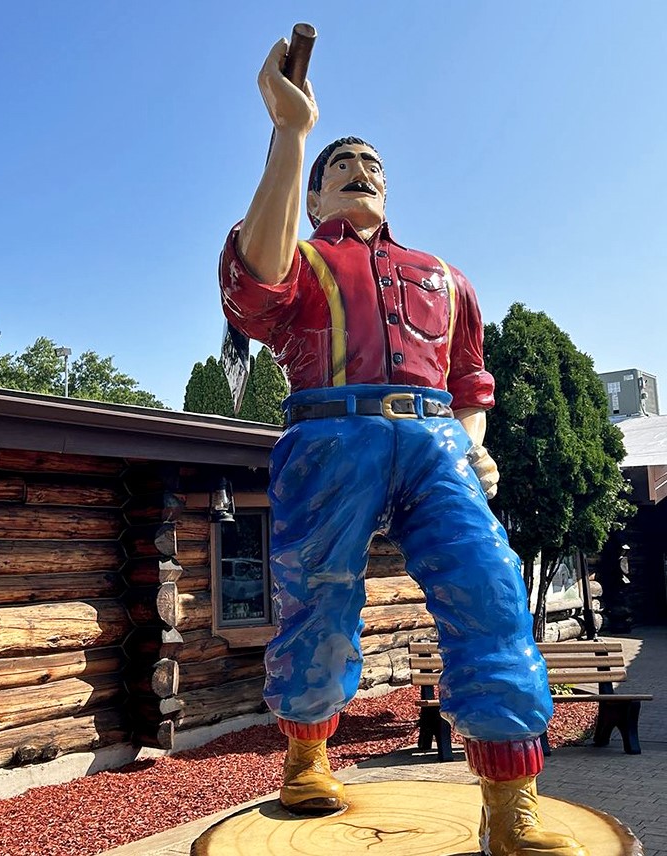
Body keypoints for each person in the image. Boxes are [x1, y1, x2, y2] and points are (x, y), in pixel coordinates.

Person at [219, 37, 587, 856]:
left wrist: (475, 440)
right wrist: (290, 134)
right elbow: (255, 288)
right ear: (315, 192)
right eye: (341, 162)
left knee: (490, 592)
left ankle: (510, 800)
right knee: (318, 596)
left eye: (372, 163)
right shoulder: (303, 254)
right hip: (327, 433)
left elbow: (471, 382)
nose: (361, 169)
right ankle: (308, 755)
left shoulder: (444, 276)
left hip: (435, 440)